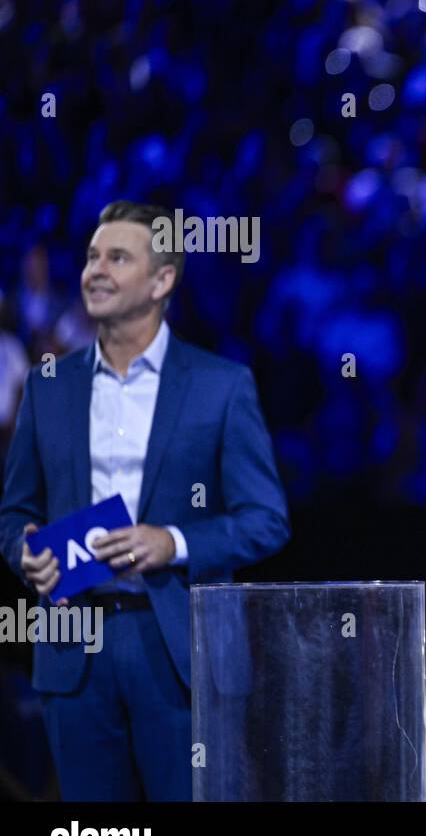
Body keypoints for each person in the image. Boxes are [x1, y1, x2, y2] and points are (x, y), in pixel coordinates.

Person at [0, 200, 291, 801]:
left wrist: (174, 542)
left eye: (117, 257)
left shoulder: (221, 385)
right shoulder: (47, 386)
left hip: (177, 646)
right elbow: (15, 513)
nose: (94, 271)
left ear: (162, 281)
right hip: (73, 644)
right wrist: (23, 551)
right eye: (90, 257)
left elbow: (266, 519)